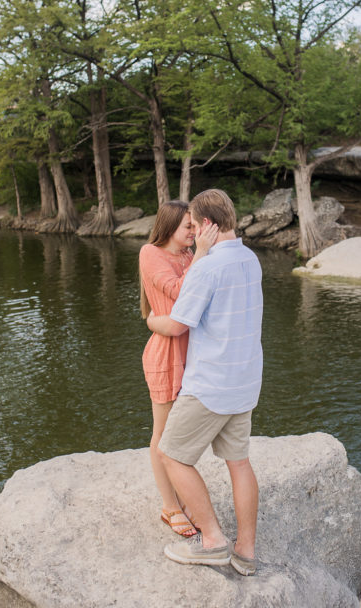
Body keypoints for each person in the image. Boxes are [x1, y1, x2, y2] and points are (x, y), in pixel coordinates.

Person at [146, 188, 263, 577]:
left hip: (211, 383)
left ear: (208, 224)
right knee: (239, 463)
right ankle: (245, 552)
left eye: (194, 225)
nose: (192, 232)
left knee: (171, 453)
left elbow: (179, 322)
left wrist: (150, 322)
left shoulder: (208, 267)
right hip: (245, 382)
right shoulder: (251, 259)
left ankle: (212, 541)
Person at [138, 200, 218, 539]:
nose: (194, 232)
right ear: (170, 226)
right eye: (188, 226)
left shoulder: (190, 255)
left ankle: (183, 497)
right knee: (164, 434)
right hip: (167, 355)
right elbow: (179, 291)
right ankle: (169, 506)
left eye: (195, 227)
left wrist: (199, 253)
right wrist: (200, 253)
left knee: (183, 433)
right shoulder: (150, 252)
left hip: (194, 353)